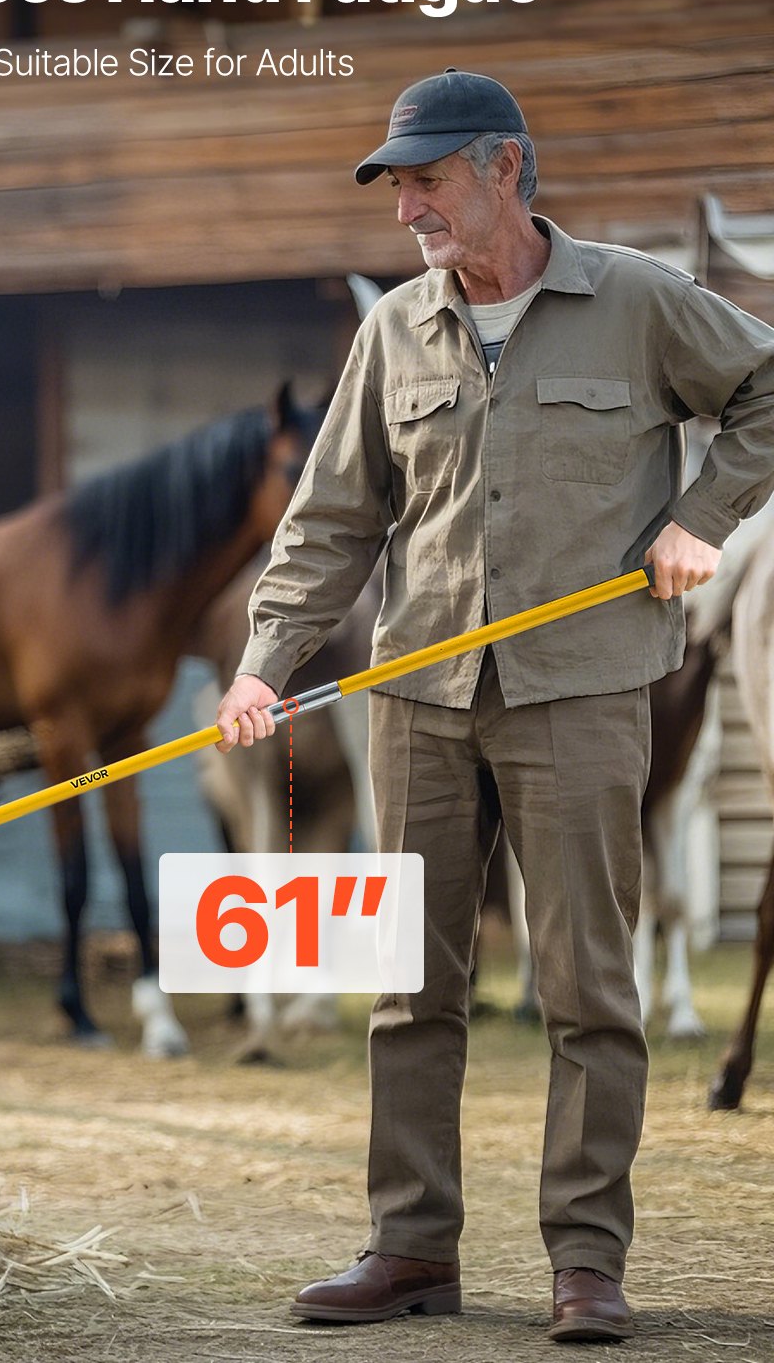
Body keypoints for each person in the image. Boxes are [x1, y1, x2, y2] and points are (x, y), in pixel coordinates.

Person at [215, 68, 774, 1343]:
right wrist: (265, 663)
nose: (406, 205)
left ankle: (587, 1261)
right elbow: (332, 523)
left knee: (586, 985)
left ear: (506, 169)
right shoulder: (392, 333)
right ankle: (412, 1250)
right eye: (396, 184)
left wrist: (699, 518)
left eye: (426, 178)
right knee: (409, 987)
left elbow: (768, 391)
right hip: (418, 691)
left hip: (581, 691)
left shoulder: (636, 302)